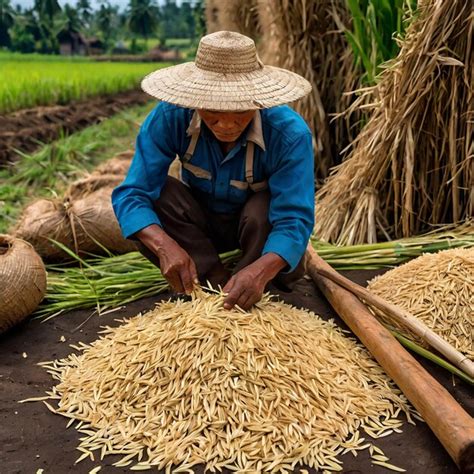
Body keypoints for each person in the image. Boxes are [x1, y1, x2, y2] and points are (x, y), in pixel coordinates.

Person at [112, 31, 315, 311]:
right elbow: (131, 194)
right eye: (213, 111)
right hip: (201, 226)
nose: (227, 125)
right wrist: (163, 246)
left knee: (263, 209)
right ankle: (212, 280)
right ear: (196, 99)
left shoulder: (289, 135)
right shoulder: (170, 118)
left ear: (257, 100)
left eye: (240, 111)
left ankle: (251, 282)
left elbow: (294, 218)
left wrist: (261, 270)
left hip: (254, 231)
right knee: (159, 196)